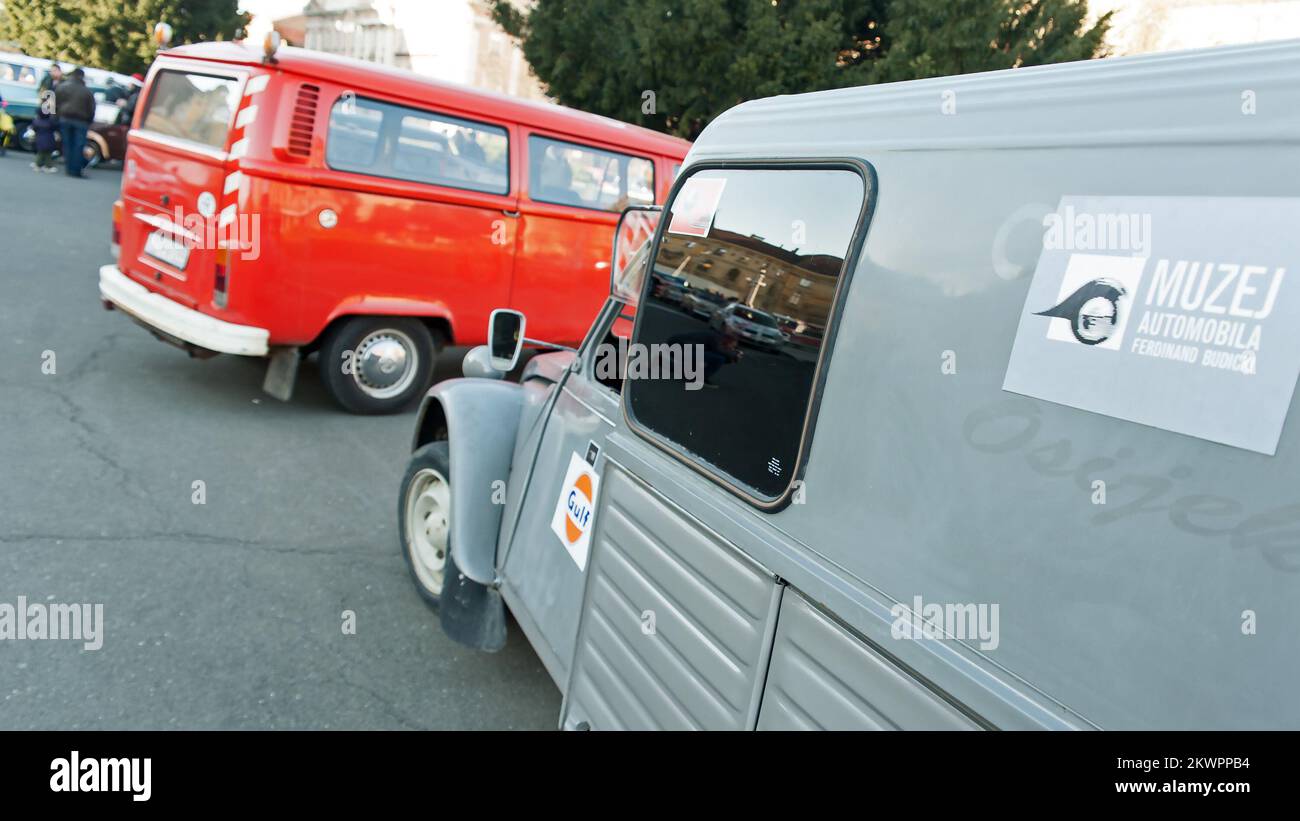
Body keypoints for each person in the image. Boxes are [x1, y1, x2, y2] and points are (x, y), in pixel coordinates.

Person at [54, 67, 94, 178]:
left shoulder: (62, 87)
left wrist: (54, 118)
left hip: (64, 118)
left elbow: (54, 105)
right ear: (82, 77)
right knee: (79, 145)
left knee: (67, 144)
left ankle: (68, 168)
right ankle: (75, 170)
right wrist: (89, 121)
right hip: (81, 121)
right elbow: (91, 109)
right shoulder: (86, 91)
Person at [29, 92, 58, 172]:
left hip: (39, 138)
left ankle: (38, 164)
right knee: (48, 153)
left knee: (40, 152)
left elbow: (34, 127)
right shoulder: (50, 122)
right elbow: (55, 125)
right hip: (49, 138)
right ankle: (47, 166)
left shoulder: (37, 121)